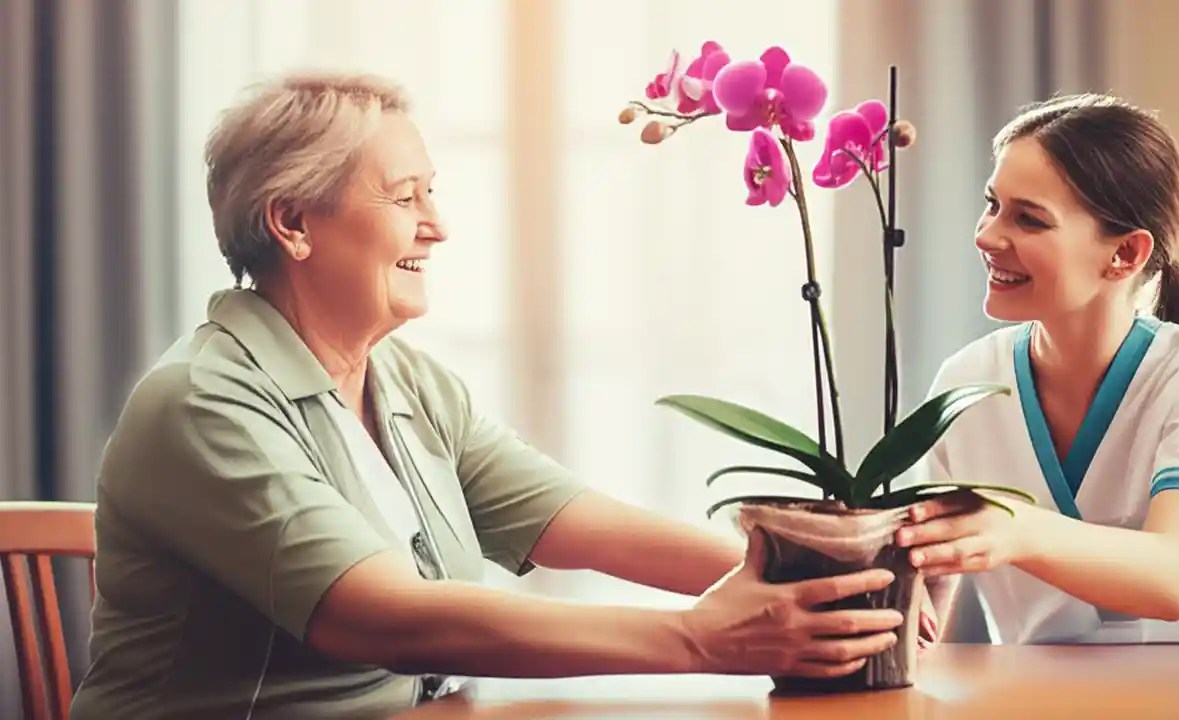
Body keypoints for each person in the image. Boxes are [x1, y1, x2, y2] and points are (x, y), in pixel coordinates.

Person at [68, 73, 907, 720]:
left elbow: (577, 522)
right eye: (405, 198)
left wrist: (841, 585)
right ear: (292, 223)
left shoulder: (407, 382)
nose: (437, 224)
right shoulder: (203, 402)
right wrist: (699, 638)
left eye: (432, 191)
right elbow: (376, 618)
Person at [897, 93, 1179, 645]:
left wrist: (1013, 529)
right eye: (992, 204)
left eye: (1029, 219)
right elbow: (928, 594)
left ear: (1126, 255)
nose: (987, 236)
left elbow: (1172, 578)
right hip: (1026, 699)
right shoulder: (964, 383)